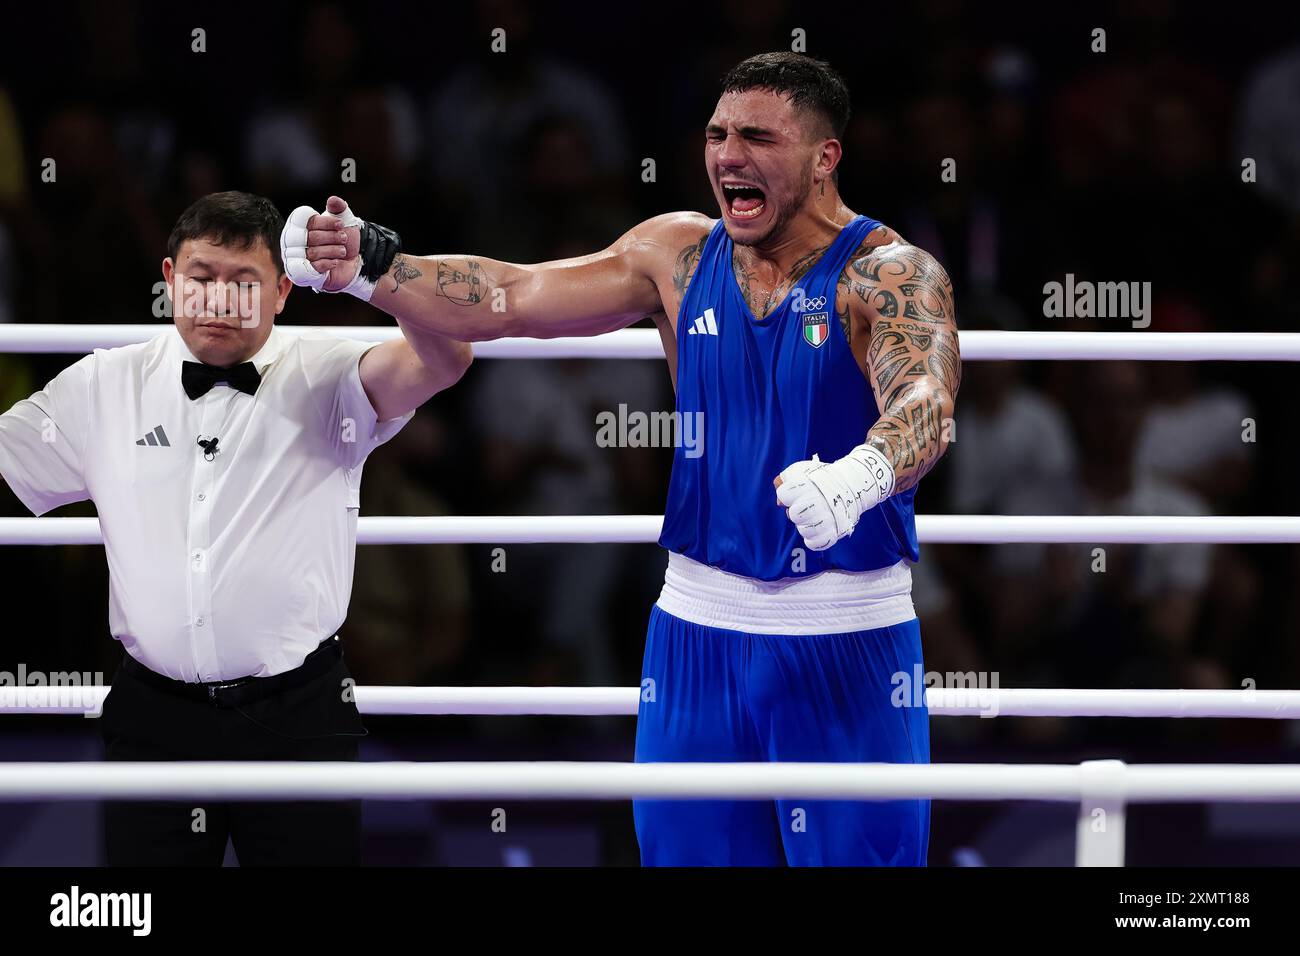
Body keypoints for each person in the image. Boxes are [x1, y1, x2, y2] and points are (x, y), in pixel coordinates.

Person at [283, 52, 960, 866]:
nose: (728, 155)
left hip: (847, 633)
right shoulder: (674, 254)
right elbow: (514, 298)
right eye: (716, 134)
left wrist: (862, 476)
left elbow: (925, 402)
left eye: (758, 137)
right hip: (695, 633)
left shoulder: (889, 273)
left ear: (825, 158)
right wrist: (373, 265)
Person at [0, 191, 471, 865]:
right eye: (202, 279)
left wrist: (374, 270)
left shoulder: (331, 375)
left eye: (244, 283)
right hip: (152, 718)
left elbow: (447, 358)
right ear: (168, 281)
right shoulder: (102, 387)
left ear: (283, 292)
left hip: (298, 714)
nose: (221, 301)